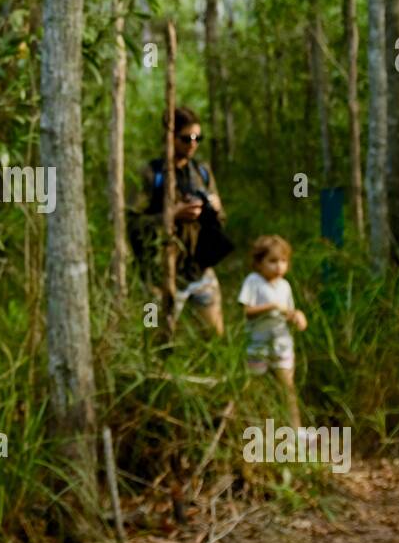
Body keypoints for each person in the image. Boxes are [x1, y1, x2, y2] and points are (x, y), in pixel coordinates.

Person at [128, 106, 230, 335]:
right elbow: (132, 223)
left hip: (200, 268)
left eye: (197, 138)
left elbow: (221, 218)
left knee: (215, 337)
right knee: (155, 337)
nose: (193, 143)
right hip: (160, 273)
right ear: (170, 137)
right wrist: (171, 215)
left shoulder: (202, 172)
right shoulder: (150, 174)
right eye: (186, 138)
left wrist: (213, 209)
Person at [238, 235, 309, 429]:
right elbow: (246, 311)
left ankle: (295, 430)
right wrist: (270, 306)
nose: (279, 267)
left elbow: (288, 312)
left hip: (281, 344)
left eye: (283, 261)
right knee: (256, 388)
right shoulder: (253, 281)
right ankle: (255, 428)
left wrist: (298, 317)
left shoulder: (284, 286)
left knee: (288, 388)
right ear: (259, 262)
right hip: (257, 345)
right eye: (272, 261)